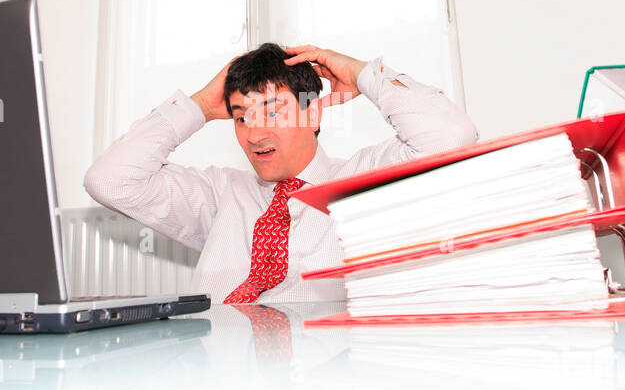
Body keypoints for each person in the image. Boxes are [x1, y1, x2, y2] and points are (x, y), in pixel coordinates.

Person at [83, 43, 478, 303]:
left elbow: (452, 137)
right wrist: (200, 105)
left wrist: (361, 73)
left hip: (314, 386)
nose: (256, 133)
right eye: (241, 117)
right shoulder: (220, 194)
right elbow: (109, 180)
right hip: (212, 379)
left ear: (313, 110)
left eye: (273, 111)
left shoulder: (363, 180)